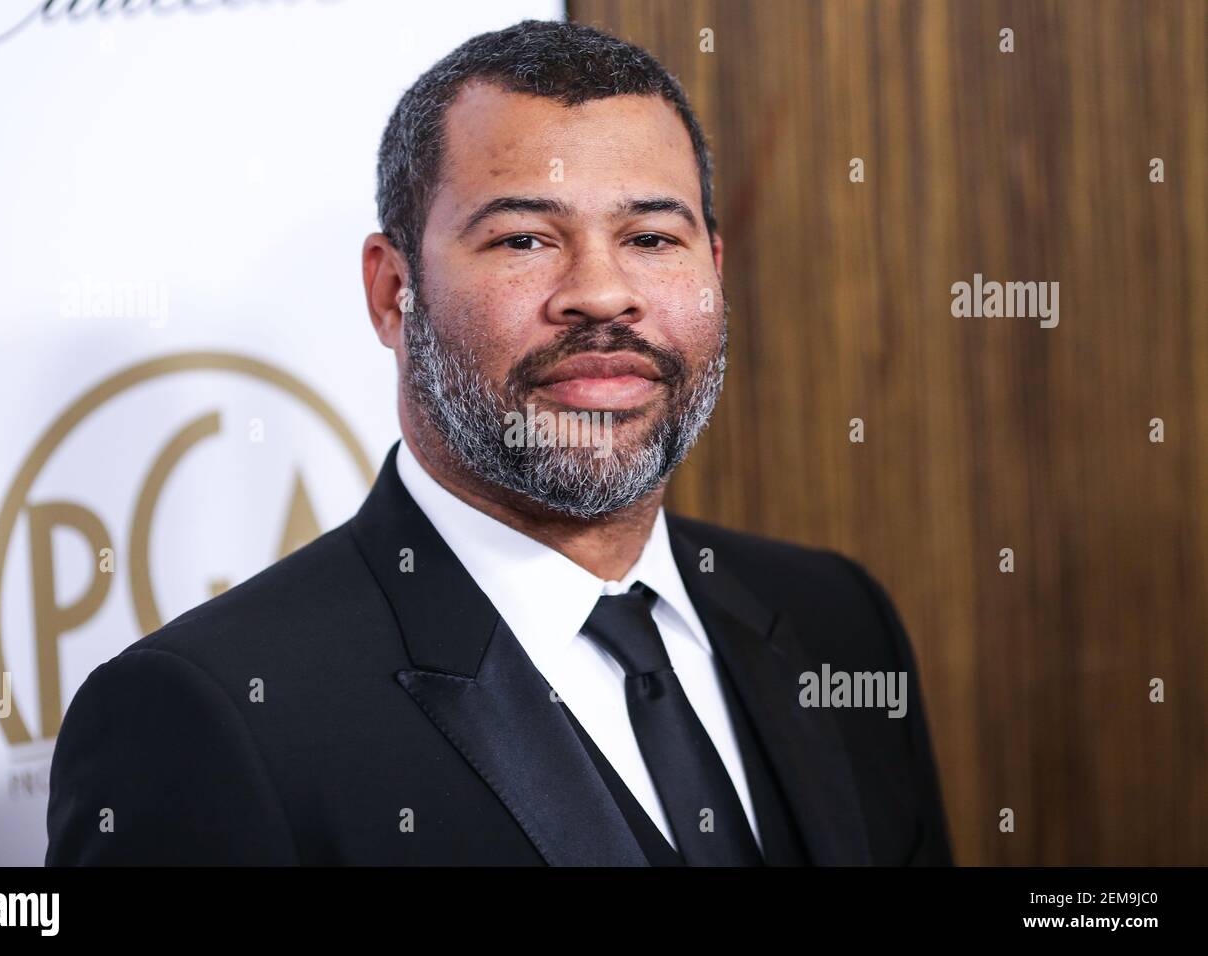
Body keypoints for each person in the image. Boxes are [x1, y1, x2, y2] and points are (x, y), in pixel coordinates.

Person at [46, 19, 952, 866]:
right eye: (524, 237)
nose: (601, 293)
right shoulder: (204, 717)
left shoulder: (839, 620)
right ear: (392, 290)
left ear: (713, 269)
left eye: (649, 235)